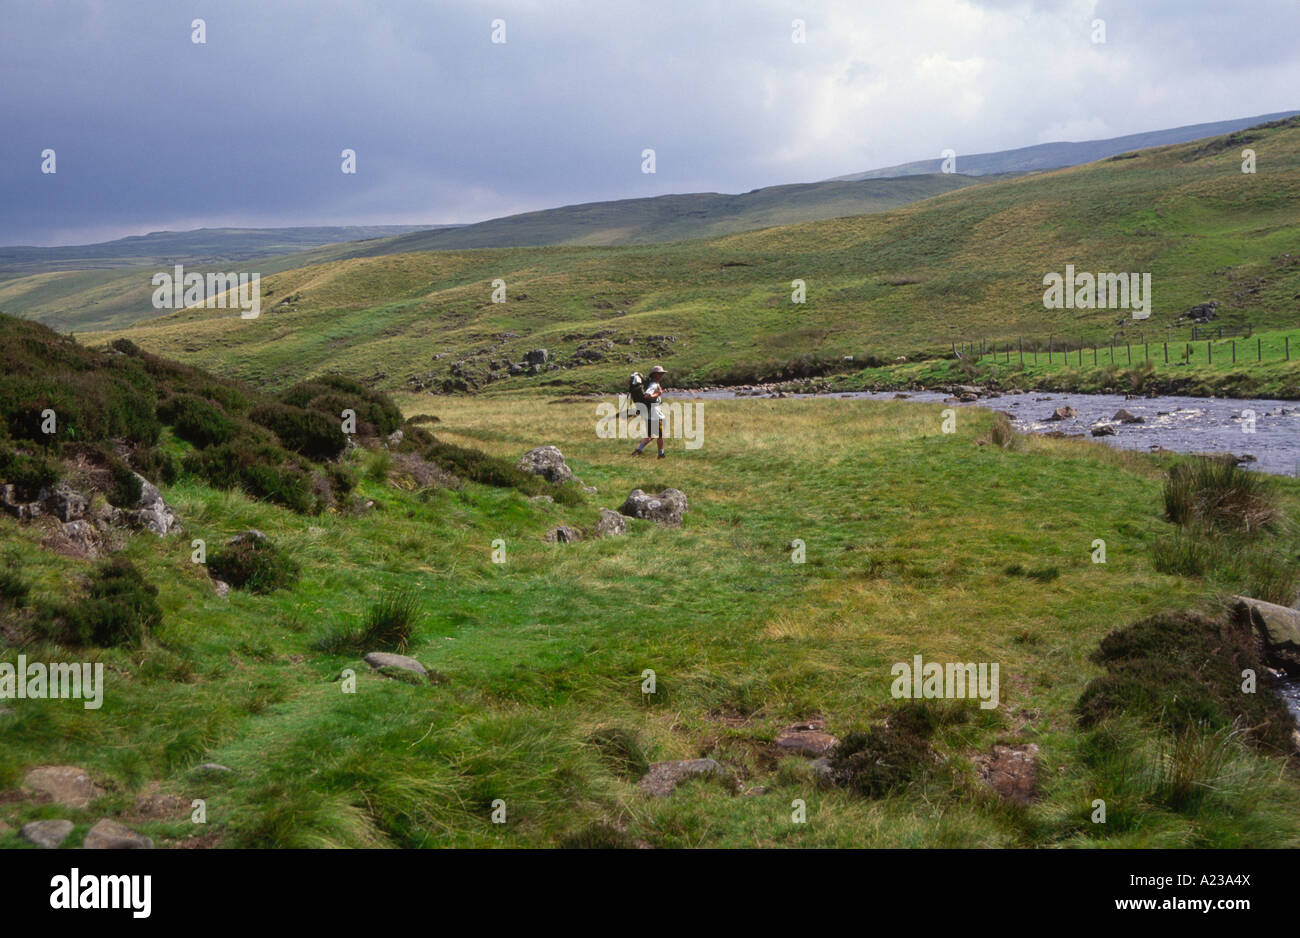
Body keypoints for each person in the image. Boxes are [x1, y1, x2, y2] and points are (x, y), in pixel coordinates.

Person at [633, 365, 667, 458]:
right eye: (660, 374)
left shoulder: (653, 383)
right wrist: (658, 393)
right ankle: (661, 454)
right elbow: (647, 395)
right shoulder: (653, 385)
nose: (662, 375)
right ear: (655, 375)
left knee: (651, 434)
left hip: (649, 413)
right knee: (661, 434)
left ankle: (638, 450)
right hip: (655, 414)